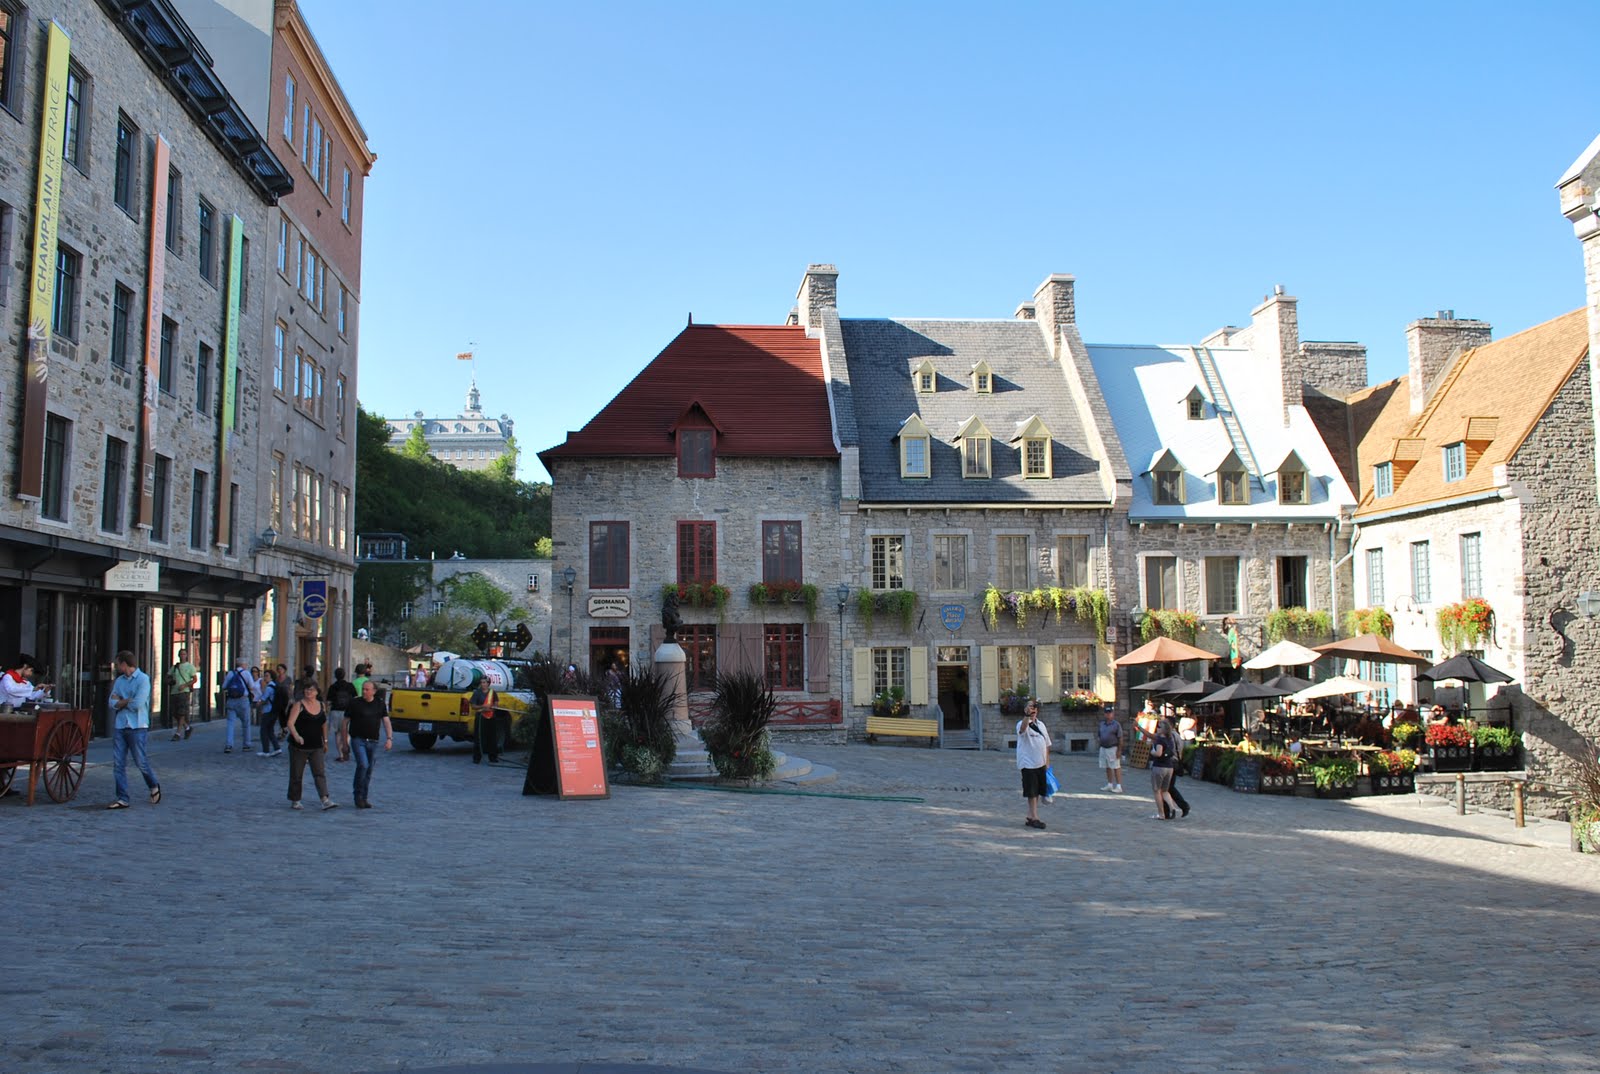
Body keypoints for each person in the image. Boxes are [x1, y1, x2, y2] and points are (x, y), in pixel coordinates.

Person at [107, 650, 160, 810]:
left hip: (137, 726)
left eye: (118, 664)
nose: (117, 667)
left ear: (124, 664)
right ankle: (122, 798)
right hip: (120, 725)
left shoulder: (143, 680)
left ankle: (153, 785)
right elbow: (111, 702)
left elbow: (138, 703)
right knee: (118, 764)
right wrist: (126, 701)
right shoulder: (119, 681)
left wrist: (121, 702)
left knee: (141, 762)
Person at [284, 681, 338, 811]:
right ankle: (295, 800)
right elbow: (290, 723)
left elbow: (323, 724)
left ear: (317, 692)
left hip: (316, 745)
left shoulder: (321, 705)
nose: (309, 692)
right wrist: (297, 736)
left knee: (319, 772)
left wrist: (325, 741)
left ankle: (324, 799)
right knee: (297, 774)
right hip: (299, 746)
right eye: (307, 690)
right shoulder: (299, 705)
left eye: (312, 690)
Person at [340, 679, 392, 809]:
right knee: (363, 764)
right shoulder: (355, 703)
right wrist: (344, 743)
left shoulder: (379, 704)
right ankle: (357, 795)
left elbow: (386, 721)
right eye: (363, 689)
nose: (364, 691)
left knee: (369, 770)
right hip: (358, 739)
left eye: (367, 689)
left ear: (374, 691)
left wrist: (389, 738)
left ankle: (364, 797)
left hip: (373, 741)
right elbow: (345, 722)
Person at [1015, 698, 1051, 830]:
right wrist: (1026, 716)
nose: (1033, 710)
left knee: (1038, 791)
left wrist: (1047, 763)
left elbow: (1047, 744)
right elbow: (1023, 730)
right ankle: (1035, 817)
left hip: (1040, 763)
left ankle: (1030, 815)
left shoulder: (1041, 725)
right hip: (1028, 763)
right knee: (1032, 791)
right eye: (1030, 708)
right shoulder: (1022, 723)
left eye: (1034, 708)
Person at [220, 658, 258, 754]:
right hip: (243, 700)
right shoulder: (246, 673)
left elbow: (224, 686)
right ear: (243, 665)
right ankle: (246, 744)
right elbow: (252, 686)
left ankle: (229, 745)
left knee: (230, 723)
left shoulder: (230, 673)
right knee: (246, 723)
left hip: (231, 700)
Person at [1149, 716, 1182, 821]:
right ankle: (1172, 807)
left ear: (1162, 729)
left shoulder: (1160, 740)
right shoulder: (1170, 739)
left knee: (1157, 790)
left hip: (1159, 767)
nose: (1157, 729)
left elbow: (1158, 753)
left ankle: (1161, 814)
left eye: (1158, 727)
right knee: (1165, 790)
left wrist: (1151, 751)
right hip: (1169, 767)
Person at [166, 648, 198, 741]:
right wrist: (170, 680)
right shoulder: (175, 667)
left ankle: (178, 733)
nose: (182, 656)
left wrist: (185, 685)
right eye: (181, 654)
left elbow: (194, 679)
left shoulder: (190, 667)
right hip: (174, 691)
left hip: (184, 692)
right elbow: (167, 676)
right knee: (174, 712)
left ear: (187, 655)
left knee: (181, 712)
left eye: (184, 654)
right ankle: (187, 727)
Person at [326, 668, 356, 763]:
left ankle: (341, 754)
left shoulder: (333, 687)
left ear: (335, 675)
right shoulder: (350, 686)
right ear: (345, 675)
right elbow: (355, 698)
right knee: (347, 732)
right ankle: (346, 746)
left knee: (338, 733)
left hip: (335, 712)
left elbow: (329, 701)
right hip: (348, 711)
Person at [471, 674, 501, 764]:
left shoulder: (493, 692)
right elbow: (473, 706)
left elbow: (496, 703)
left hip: (491, 717)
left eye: (484, 682)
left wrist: (493, 707)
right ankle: (477, 757)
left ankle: (493, 757)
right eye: (481, 683)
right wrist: (482, 707)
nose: (483, 684)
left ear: (488, 683)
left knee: (492, 737)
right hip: (481, 717)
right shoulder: (477, 693)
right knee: (479, 738)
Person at [1097, 708, 1124, 793]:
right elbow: (1099, 735)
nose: (1108, 715)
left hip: (1113, 748)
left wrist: (1119, 750)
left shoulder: (1116, 725)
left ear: (1113, 714)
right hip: (1104, 747)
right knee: (1107, 766)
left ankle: (1119, 785)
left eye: (1110, 713)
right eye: (1106, 713)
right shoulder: (1102, 724)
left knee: (1116, 766)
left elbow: (1120, 738)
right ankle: (1110, 784)